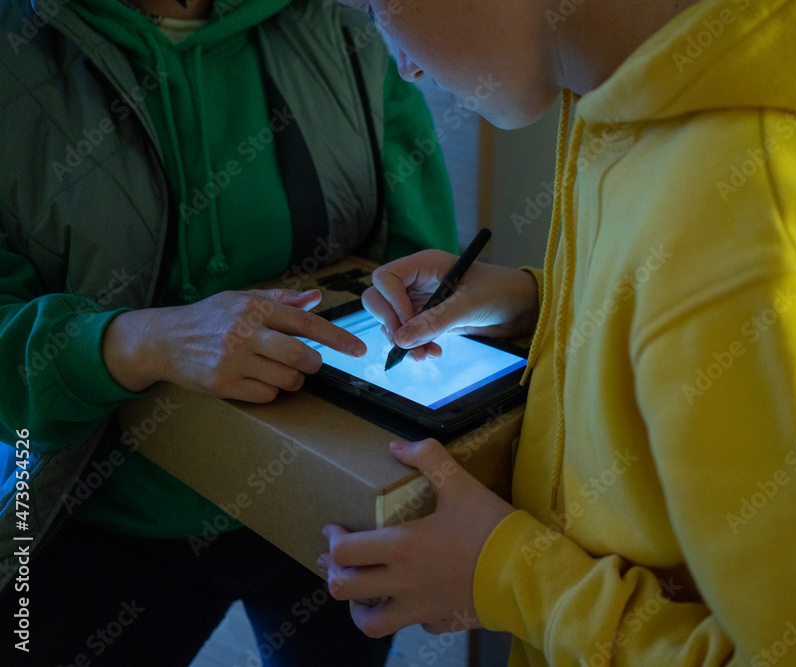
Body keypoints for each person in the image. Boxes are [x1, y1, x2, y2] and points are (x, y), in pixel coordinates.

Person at [318, 0, 796, 664]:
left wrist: (512, 578)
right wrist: (537, 300)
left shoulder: (766, 245)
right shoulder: (647, 94)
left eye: (374, 3)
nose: (401, 64)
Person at [0, 0, 458, 663]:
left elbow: (420, 266)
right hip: (93, 510)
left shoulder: (342, 28)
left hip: (326, 509)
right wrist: (139, 341)